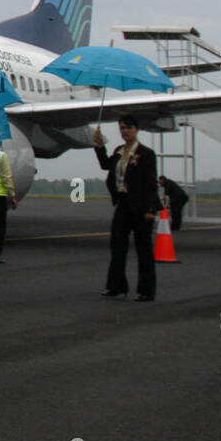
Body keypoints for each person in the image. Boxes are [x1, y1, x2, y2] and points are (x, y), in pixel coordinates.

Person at [93, 114, 160, 301]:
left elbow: (151, 183)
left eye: (129, 127)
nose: (125, 131)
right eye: (122, 128)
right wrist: (99, 146)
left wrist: (151, 209)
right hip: (123, 203)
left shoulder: (146, 154)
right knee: (117, 245)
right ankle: (116, 286)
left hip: (141, 206)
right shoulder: (119, 151)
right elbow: (106, 165)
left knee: (143, 249)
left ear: (137, 129)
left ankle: (146, 290)